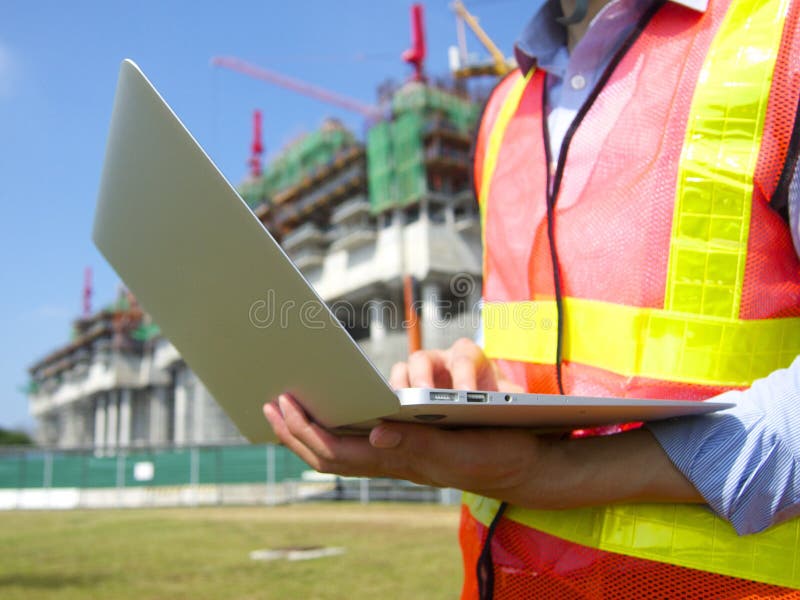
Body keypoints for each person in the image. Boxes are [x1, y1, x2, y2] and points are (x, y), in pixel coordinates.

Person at [265, 0, 800, 596]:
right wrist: (476, 369)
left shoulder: (778, 40)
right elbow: (528, 315)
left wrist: (555, 473)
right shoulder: (502, 109)